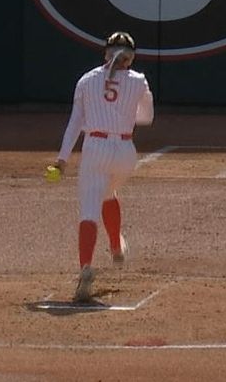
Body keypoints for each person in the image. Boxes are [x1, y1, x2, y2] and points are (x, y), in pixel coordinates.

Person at [50, 31, 154, 302]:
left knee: (89, 210)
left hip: (95, 148)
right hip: (125, 152)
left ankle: (86, 267)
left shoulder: (87, 80)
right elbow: (146, 118)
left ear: (105, 54)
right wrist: (124, 108)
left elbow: (75, 123)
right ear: (130, 58)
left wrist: (62, 159)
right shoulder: (139, 81)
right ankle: (115, 244)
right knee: (108, 193)